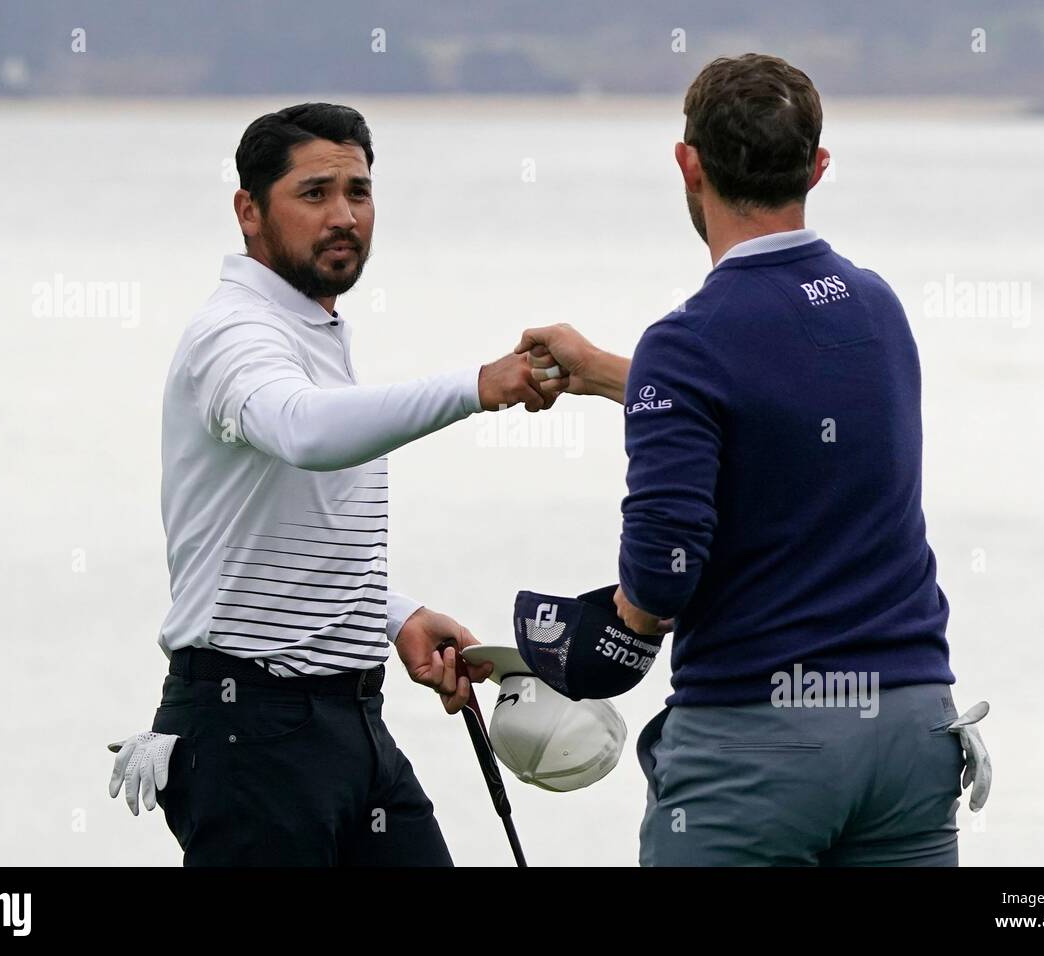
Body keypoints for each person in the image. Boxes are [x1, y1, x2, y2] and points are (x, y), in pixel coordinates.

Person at [517, 53, 989, 866]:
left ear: (687, 163)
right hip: (914, 729)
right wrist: (607, 373)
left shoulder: (689, 344)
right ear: (818, 166)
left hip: (761, 742)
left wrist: (616, 632)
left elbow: (665, 575)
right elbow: (788, 418)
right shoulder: (876, 306)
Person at [108, 102, 549, 866]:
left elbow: (276, 533)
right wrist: (480, 386)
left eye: (359, 192)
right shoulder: (234, 332)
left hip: (351, 720)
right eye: (314, 194)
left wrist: (394, 614)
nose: (344, 215)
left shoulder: (310, 330)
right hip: (249, 734)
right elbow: (305, 431)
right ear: (249, 211)